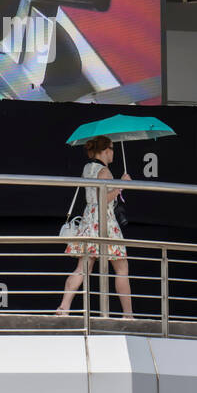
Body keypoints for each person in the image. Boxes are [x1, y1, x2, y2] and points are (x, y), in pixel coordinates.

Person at [57, 135, 133, 319]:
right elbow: (103, 200)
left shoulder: (87, 168)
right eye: (112, 148)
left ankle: (63, 307)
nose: (114, 152)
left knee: (82, 268)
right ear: (106, 150)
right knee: (122, 269)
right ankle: (128, 315)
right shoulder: (104, 172)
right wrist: (121, 186)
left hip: (89, 220)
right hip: (104, 222)